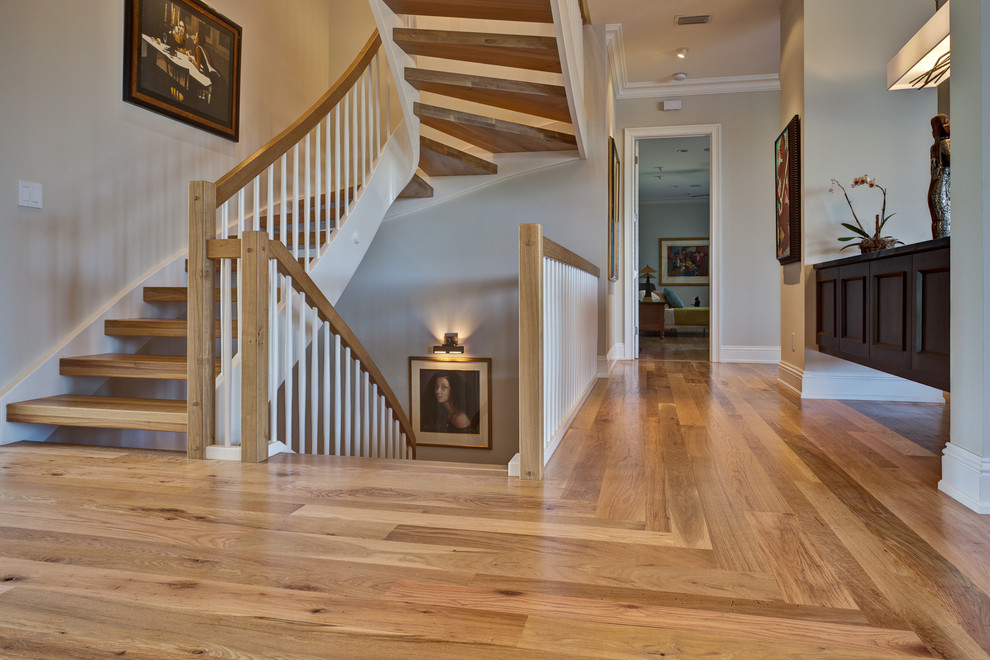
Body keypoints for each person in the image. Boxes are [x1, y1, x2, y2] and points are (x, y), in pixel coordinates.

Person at [928, 114, 950, 239]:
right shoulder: (934, 147)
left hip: (944, 183)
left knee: (943, 213)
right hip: (936, 181)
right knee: (936, 214)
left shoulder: (946, 143)